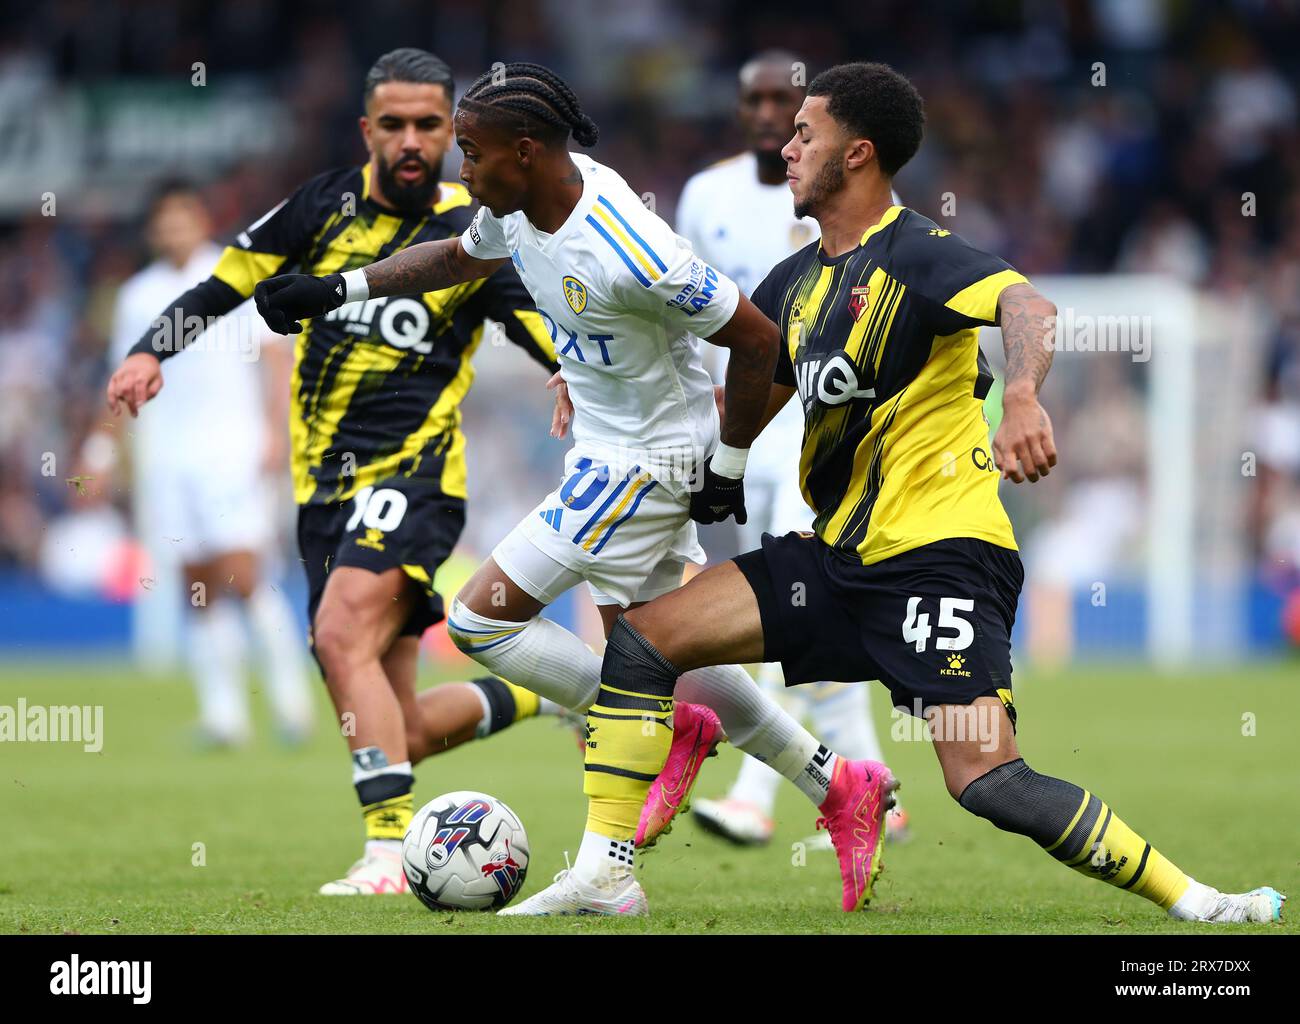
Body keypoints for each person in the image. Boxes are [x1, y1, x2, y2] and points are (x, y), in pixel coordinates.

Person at [588, 61, 1285, 922]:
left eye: (806, 131)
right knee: (646, 642)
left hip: (940, 564)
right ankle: (605, 874)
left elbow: (1026, 306)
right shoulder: (793, 284)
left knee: (987, 781)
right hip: (836, 561)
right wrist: (717, 464)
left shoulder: (918, 253)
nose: (786, 143)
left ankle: (1202, 904)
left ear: (859, 154)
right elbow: (752, 383)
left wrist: (1021, 394)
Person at [252, 61, 893, 918]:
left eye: (470, 153)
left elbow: (759, 338)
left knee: (483, 619)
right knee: (666, 654)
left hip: (649, 461)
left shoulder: (628, 244)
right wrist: (340, 288)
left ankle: (610, 864)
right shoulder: (519, 204)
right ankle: (839, 782)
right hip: (603, 446)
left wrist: (729, 463)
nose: (460, 170)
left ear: (523, 152)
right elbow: (453, 258)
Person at [106, 49, 573, 897]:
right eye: (392, 123)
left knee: (333, 631)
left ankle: (388, 851)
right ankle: (561, 696)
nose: (410, 139)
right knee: (408, 728)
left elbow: (541, 320)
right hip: (325, 493)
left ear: (453, 131)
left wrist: (576, 366)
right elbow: (223, 288)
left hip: (419, 477)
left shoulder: (477, 225)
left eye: (429, 125)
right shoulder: (319, 208)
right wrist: (148, 352)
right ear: (367, 129)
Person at [677, 51, 909, 848]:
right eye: (758, 99)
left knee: (790, 597)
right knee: (803, 607)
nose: (773, 113)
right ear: (740, 108)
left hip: (814, 426)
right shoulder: (705, 194)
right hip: (737, 425)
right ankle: (877, 786)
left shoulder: (844, 193)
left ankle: (752, 790)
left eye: (789, 101)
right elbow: (677, 301)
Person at [106, 180, 312, 747]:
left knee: (243, 574)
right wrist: (109, 452)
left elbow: (276, 358)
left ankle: (292, 704)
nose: (174, 229)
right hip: (167, 456)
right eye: (164, 220)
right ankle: (225, 716)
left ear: (200, 220)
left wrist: (276, 432)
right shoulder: (136, 296)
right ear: (154, 228)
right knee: (195, 582)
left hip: (232, 447)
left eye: (183, 218)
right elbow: (123, 376)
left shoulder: (229, 279)